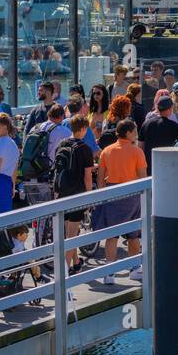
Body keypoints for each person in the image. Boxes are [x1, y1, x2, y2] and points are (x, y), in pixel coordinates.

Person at [93, 118, 146, 286]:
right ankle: (134, 269)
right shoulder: (137, 152)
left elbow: (100, 178)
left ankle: (109, 273)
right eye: (135, 131)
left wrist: (104, 196)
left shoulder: (107, 151)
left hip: (112, 194)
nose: (136, 134)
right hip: (132, 195)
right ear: (129, 133)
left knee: (112, 236)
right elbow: (143, 178)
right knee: (134, 235)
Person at [52, 114, 95, 270]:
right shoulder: (85, 149)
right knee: (72, 236)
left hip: (62, 192)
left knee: (69, 233)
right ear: (83, 128)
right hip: (77, 193)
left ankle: (76, 263)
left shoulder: (62, 144)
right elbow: (87, 176)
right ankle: (64, 272)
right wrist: (89, 197)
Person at [140, 93, 178, 161]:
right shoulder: (173, 126)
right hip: (167, 163)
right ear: (169, 109)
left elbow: (140, 146)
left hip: (149, 164)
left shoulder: (146, 124)